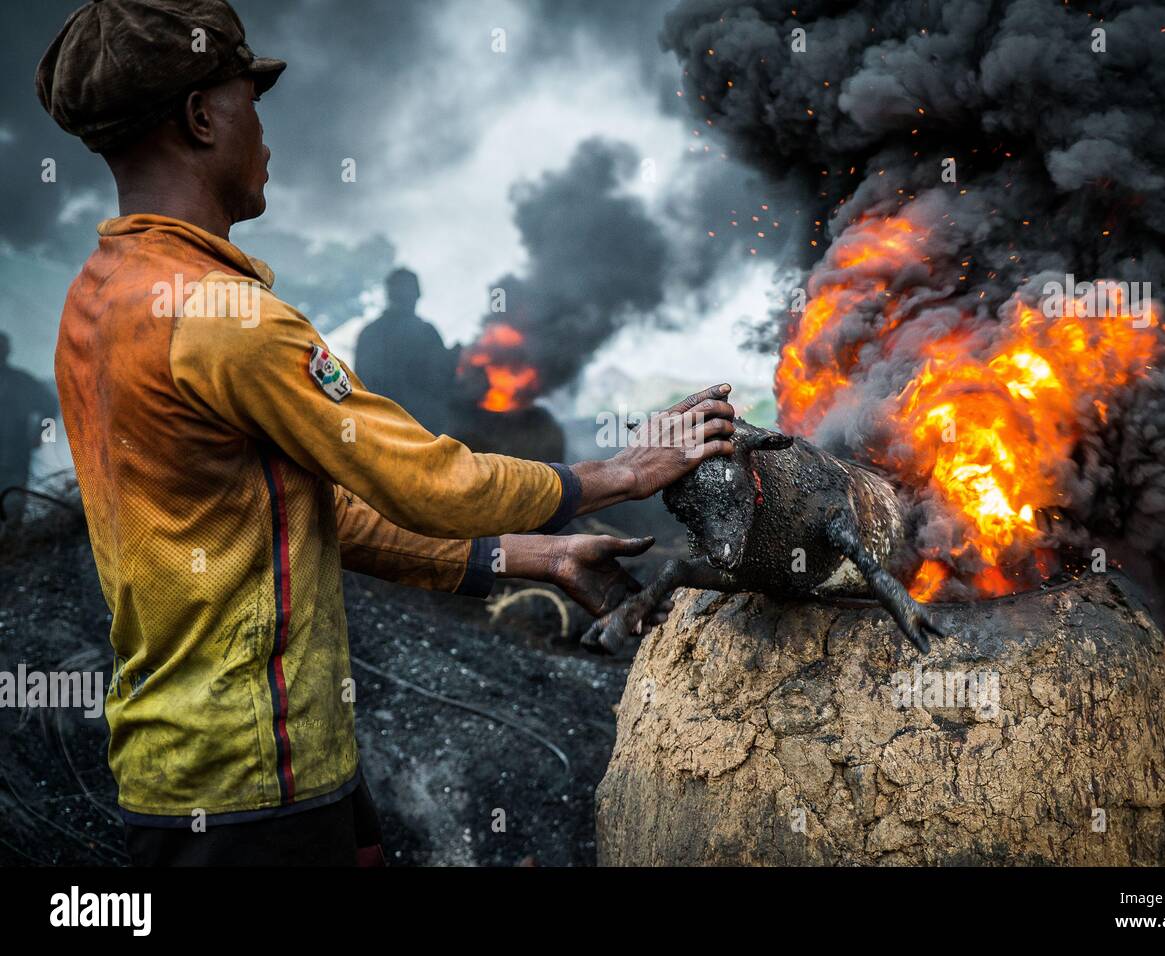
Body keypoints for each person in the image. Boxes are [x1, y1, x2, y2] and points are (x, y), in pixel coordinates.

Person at [36, 0, 734, 866]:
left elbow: (310, 511)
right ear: (200, 116)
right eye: (250, 97)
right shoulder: (229, 322)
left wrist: (524, 555)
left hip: (188, 774)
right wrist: (616, 474)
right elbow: (425, 482)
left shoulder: (97, 298)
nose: (266, 129)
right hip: (262, 787)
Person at [354, 268, 457, 434]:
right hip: (422, 430)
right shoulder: (426, 333)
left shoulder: (370, 333)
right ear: (417, 294)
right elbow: (441, 380)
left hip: (381, 429)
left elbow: (361, 387)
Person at [0, 332, 58, 524]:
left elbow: (51, 407)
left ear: (8, 350)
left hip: (15, 458)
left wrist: (43, 437)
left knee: (12, 511)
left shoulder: (22, 382)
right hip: (14, 457)